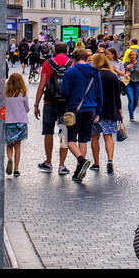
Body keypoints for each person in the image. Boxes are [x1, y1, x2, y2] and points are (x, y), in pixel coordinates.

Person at [60, 47, 103, 183]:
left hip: (74, 109)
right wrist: (98, 111)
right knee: (83, 140)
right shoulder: (95, 72)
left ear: (74, 59)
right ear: (86, 58)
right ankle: (79, 171)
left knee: (70, 139)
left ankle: (81, 160)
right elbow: (99, 93)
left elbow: (65, 91)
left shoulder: (71, 71)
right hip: (91, 110)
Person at [34, 41, 71, 175]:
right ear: (67, 51)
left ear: (54, 51)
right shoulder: (71, 63)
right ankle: (62, 165)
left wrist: (36, 105)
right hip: (66, 104)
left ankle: (48, 162)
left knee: (48, 132)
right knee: (64, 132)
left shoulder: (47, 63)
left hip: (49, 102)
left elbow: (42, 85)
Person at [89, 52, 125, 174]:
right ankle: (110, 160)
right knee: (108, 136)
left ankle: (96, 163)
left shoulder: (93, 75)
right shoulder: (113, 76)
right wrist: (119, 110)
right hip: (110, 110)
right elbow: (117, 96)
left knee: (95, 137)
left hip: (95, 110)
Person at [4, 72, 29, 177]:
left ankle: (10, 159)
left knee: (9, 144)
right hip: (21, 122)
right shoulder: (23, 93)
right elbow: (27, 108)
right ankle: (16, 169)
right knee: (18, 146)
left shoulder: (5, 94)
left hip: (9, 122)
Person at [123, 46, 139, 120]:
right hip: (129, 84)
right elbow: (123, 73)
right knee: (131, 100)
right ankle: (131, 116)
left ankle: (131, 111)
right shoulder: (126, 64)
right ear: (129, 56)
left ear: (136, 56)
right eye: (131, 55)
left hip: (137, 84)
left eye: (133, 54)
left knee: (136, 101)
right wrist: (127, 69)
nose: (132, 56)